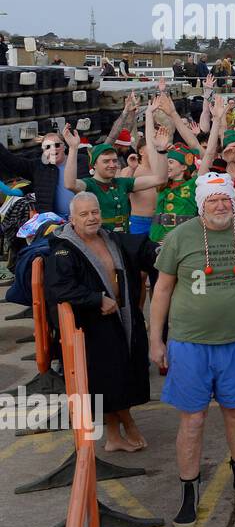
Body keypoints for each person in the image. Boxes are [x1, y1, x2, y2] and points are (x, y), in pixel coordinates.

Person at [149, 172, 235, 527]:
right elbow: (161, 290)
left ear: (233, 202)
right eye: (213, 200)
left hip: (234, 342)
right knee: (194, 419)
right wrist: (155, 340)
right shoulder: (180, 237)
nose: (220, 205)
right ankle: (189, 491)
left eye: (226, 199)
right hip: (190, 343)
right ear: (201, 203)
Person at [45, 193, 157, 453]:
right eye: (84, 214)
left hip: (122, 319)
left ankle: (117, 435)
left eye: (94, 212)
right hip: (91, 326)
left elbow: (139, 247)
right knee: (108, 380)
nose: (91, 218)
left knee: (125, 374)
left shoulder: (110, 238)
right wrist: (96, 299)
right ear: (72, 219)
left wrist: (162, 250)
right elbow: (59, 288)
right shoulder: (63, 249)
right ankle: (120, 430)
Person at [63, 128, 166, 234]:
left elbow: (160, 178)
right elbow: (70, 184)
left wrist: (162, 150)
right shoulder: (90, 184)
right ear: (94, 164)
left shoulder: (123, 183)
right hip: (103, 241)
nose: (112, 165)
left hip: (124, 240)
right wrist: (73, 148)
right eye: (106, 161)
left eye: (115, 161)